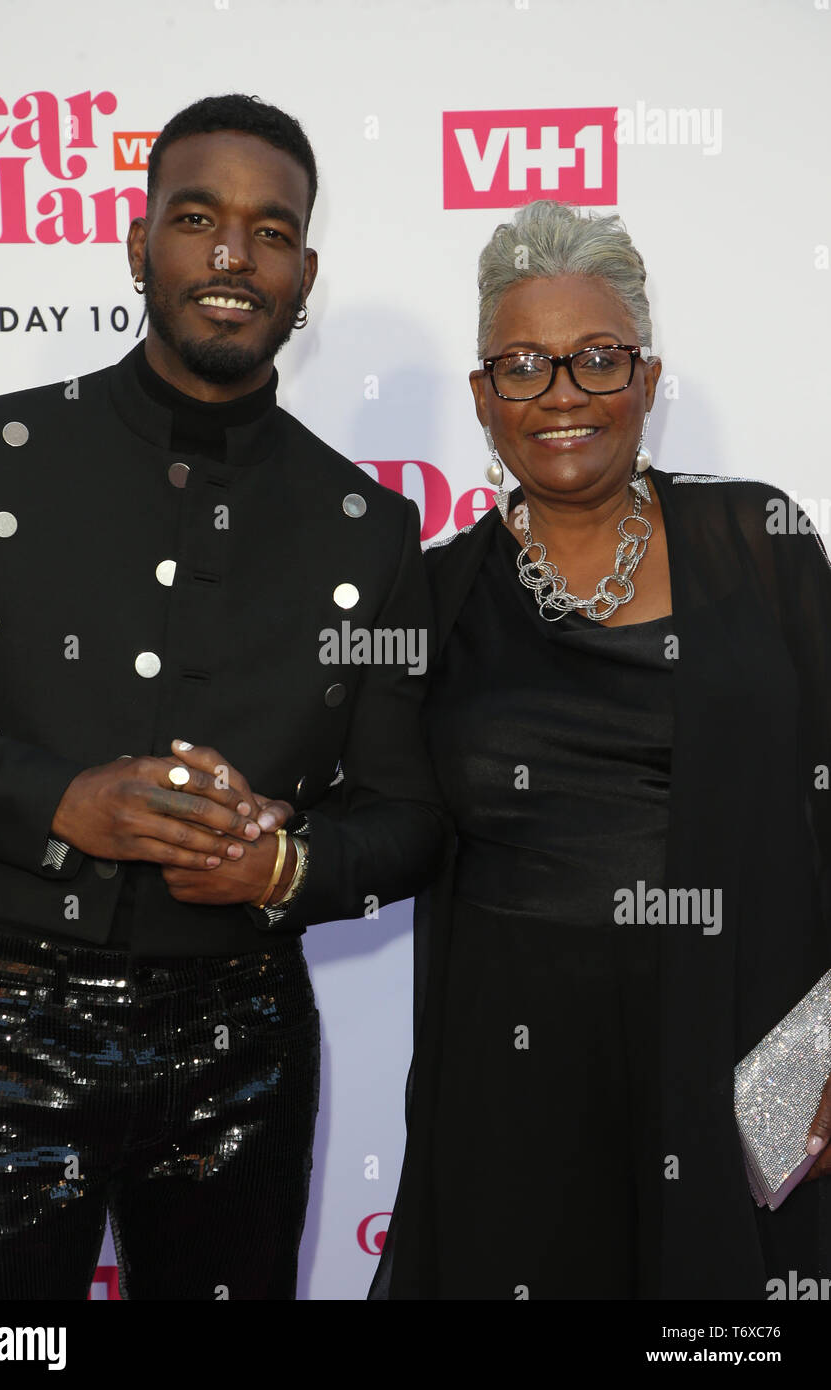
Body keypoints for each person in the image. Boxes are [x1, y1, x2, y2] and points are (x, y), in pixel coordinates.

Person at [0, 94, 447, 1300]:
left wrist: (288, 870)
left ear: (303, 271)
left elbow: (409, 813)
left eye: (270, 231)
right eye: (197, 218)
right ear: (138, 240)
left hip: (243, 1041)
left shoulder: (367, 529)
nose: (231, 256)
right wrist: (61, 802)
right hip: (5, 1029)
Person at [370, 199, 831, 1300]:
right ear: (483, 398)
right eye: (523, 364)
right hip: (515, 1077)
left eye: (597, 358)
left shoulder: (759, 541)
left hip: (748, 1046)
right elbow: (376, 820)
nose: (563, 393)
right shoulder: (434, 597)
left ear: (648, 380)